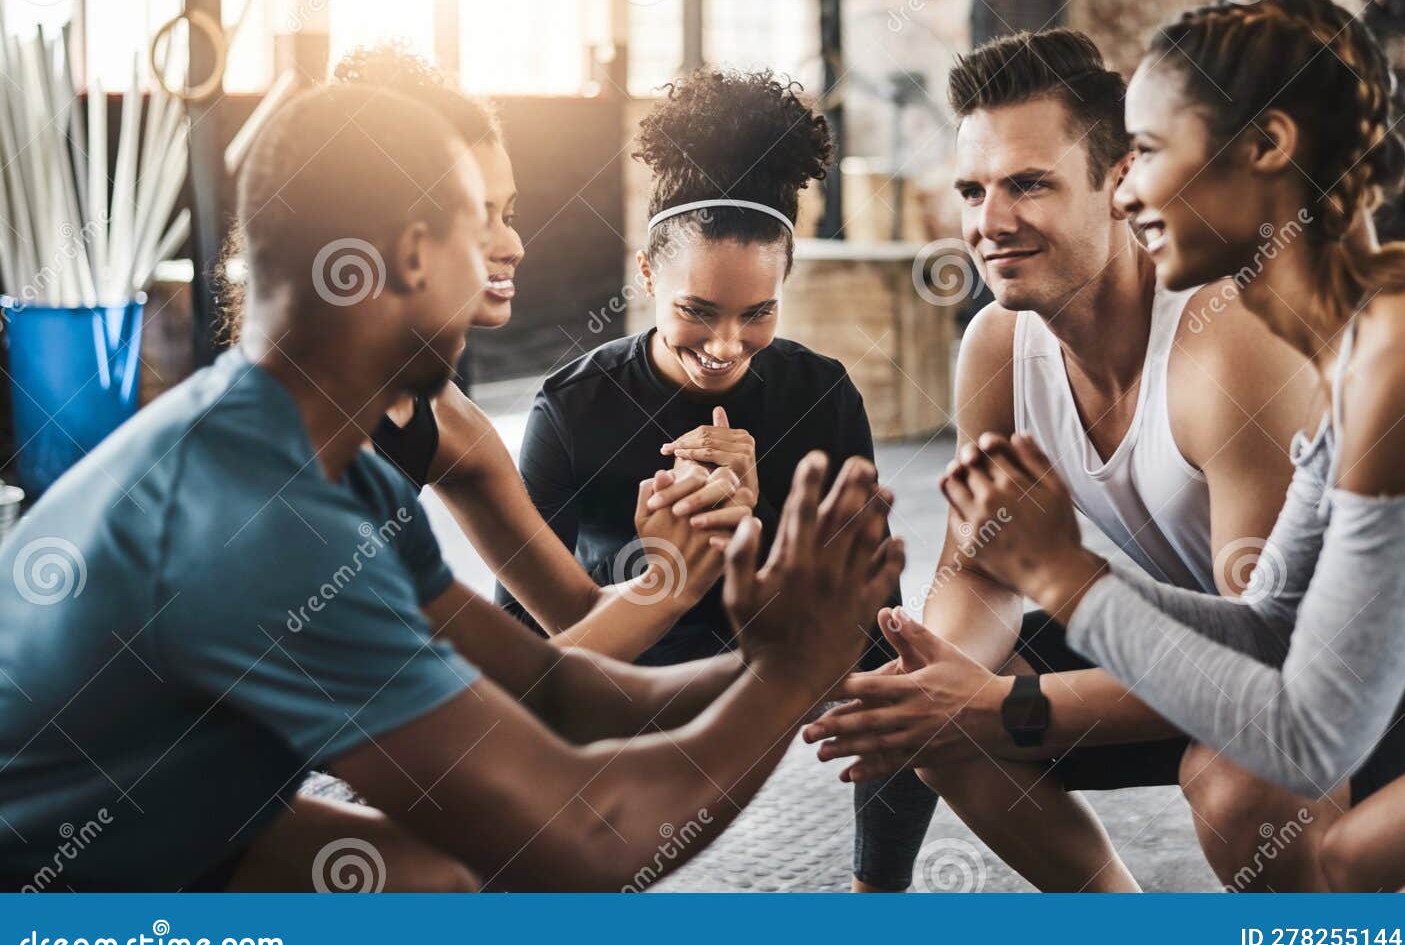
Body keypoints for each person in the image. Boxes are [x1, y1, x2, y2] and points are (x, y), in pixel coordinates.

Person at [0, 83, 903, 892]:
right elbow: (590, 836)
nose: (511, 247)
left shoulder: (316, 452)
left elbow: (554, 687)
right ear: (415, 256)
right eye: (486, 220)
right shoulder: (261, 519)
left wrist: (771, 655)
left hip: (154, 826)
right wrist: (790, 674)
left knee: (435, 880)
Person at [808, 27, 1405, 892]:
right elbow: (982, 570)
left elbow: (1276, 655)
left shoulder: (1223, 343)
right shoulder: (998, 345)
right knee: (939, 712)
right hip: (1223, 642)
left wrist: (1001, 705)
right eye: (973, 189)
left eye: (1028, 184)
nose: (988, 222)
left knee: (1239, 776)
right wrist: (938, 682)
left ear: (1120, 186)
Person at [499, 66, 939, 892]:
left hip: (786, 636)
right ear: (647, 274)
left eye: (757, 314)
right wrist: (657, 568)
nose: (727, 345)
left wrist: (759, 530)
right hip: (633, 644)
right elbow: (518, 634)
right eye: (697, 310)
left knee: (907, 685)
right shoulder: (572, 408)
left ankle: (880, 899)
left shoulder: (822, 394)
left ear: (783, 287)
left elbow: (866, 601)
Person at [334, 44, 750, 646]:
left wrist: (686, 568)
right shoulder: (307, 436)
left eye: (510, 212)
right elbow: (484, 715)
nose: (514, 245)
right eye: (482, 216)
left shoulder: (444, 420)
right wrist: (684, 595)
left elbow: (576, 620)